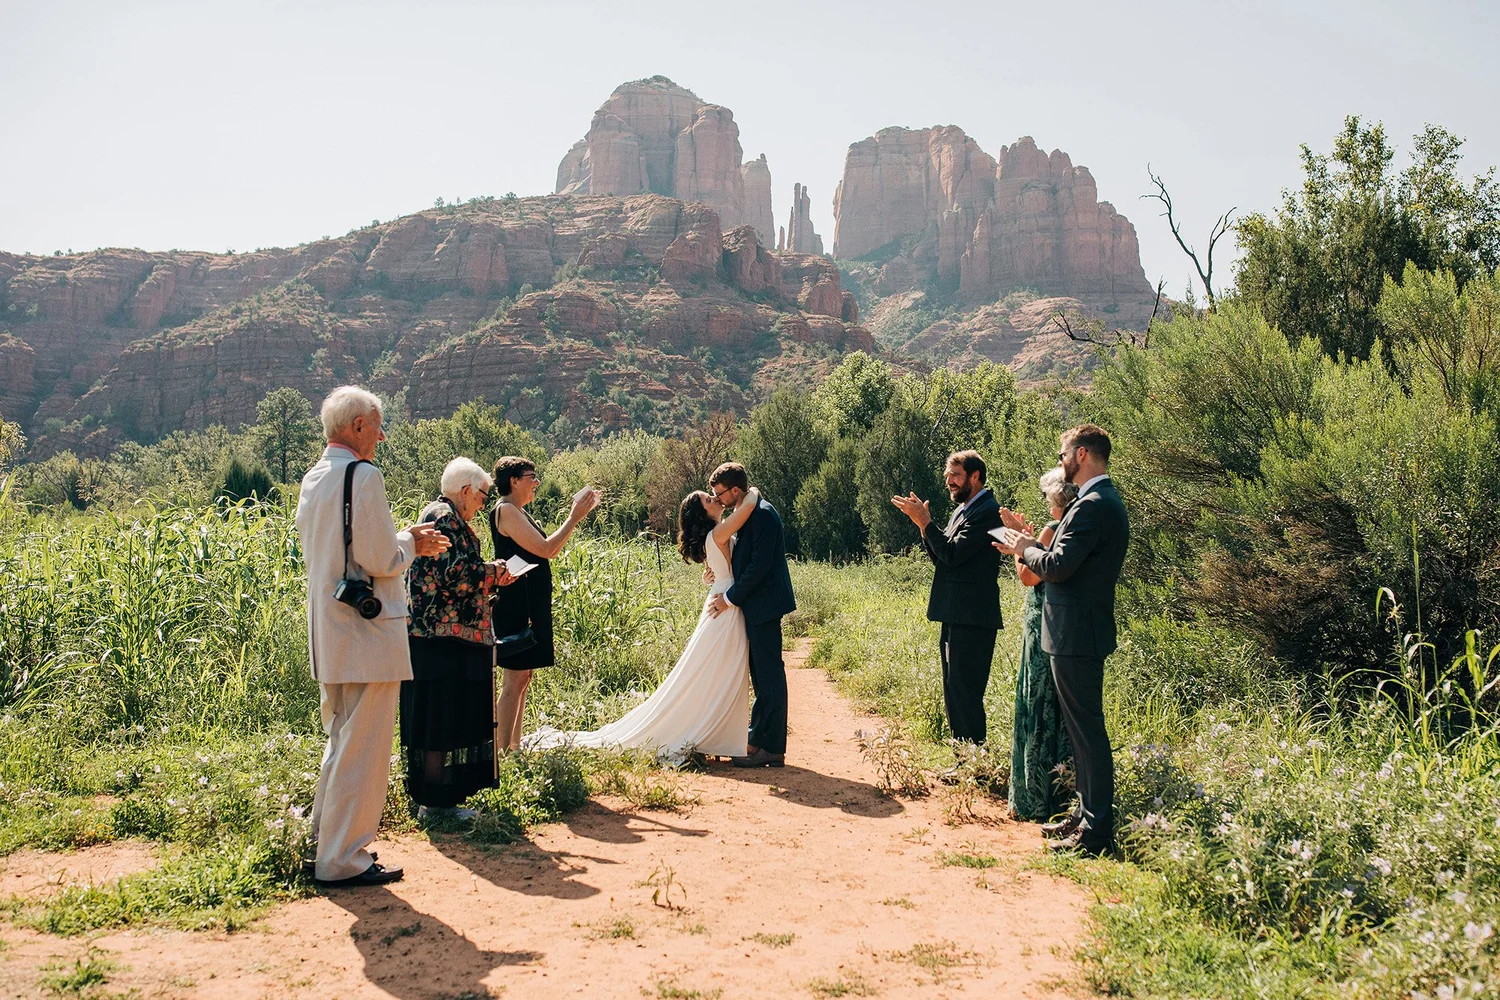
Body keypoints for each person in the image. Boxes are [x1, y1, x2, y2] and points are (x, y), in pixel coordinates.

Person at [297, 385, 450, 887]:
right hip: (367, 633)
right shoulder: (363, 476)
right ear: (358, 426)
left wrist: (399, 540)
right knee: (363, 748)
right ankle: (343, 858)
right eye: (378, 427)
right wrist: (412, 541)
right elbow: (380, 558)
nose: (381, 437)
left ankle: (321, 844)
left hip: (329, 632)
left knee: (342, 740)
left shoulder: (314, 477)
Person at [524, 487, 764, 762]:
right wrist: (751, 490)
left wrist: (715, 575)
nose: (715, 499)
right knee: (716, 672)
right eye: (709, 499)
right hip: (724, 608)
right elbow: (747, 506)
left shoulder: (716, 534)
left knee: (717, 672)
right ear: (702, 514)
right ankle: (707, 734)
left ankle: (713, 733)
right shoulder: (718, 532)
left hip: (723, 602)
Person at [993, 424, 1129, 857]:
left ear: (1082, 454)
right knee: (1080, 732)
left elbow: (1057, 566)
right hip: (1074, 632)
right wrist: (1029, 547)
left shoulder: (1094, 504)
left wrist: (1024, 546)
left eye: (1063, 454)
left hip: (1077, 634)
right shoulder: (1096, 501)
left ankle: (1096, 832)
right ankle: (1085, 817)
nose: (1061, 461)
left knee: (1088, 733)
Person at [403, 457, 517, 817]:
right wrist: (494, 572)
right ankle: (436, 804)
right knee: (439, 718)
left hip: (441, 637)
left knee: (443, 716)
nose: (483, 504)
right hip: (440, 640)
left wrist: (489, 579)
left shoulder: (442, 515)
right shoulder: (443, 518)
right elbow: (452, 573)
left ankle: (440, 800)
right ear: (466, 491)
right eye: (482, 497)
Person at [892, 450, 1003, 745]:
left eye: (955, 475)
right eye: (947, 475)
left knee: (965, 691)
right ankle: (963, 757)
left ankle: (974, 759)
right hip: (956, 613)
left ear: (975, 476)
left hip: (973, 616)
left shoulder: (988, 511)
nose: (948, 481)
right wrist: (923, 526)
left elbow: (952, 554)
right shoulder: (963, 511)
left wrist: (926, 522)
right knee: (954, 689)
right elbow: (943, 559)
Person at [490, 456, 599, 751]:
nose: (537, 482)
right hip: (515, 605)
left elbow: (549, 550)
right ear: (514, 481)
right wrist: (574, 517)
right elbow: (546, 548)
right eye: (531, 477)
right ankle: (502, 753)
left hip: (529, 602)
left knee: (524, 677)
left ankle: (514, 748)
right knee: (514, 680)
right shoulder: (506, 511)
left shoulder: (520, 512)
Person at [704, 462, 796, 768]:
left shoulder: (763, 515)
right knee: (762, 674)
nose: (718, 499)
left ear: (735, 490)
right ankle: (759, 741)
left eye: (720, 494)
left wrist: (729, 598)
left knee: (769, 675)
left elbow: (759, 567)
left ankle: (769, 747)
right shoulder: (747, 513)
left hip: (765, 605)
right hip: (755, 606)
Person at [1008, 467, 1076, 822]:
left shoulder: (1053, 528)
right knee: (1058, 710)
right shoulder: (1071, 529)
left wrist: (1020, 545)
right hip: (1061, 625)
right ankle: (1061, 794)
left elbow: (1027, 577)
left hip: (1041, 625)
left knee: (1037, 702)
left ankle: (1032, 796)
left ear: (1056, 498)